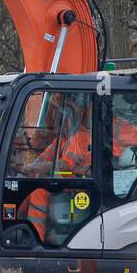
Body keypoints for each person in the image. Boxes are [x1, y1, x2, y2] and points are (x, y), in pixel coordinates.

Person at [22, 95, 93, 244]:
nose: (57, 123)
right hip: (66, 180)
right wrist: (31, 167)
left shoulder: (81, 137)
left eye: (61, 118)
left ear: (70, 118)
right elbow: (46, 155)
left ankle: (36, 239)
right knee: (26, 185)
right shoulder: (63, 138)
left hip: (79, 185)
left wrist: (38, 168)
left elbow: (65, 165)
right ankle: (20, 224)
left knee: (38, 192)